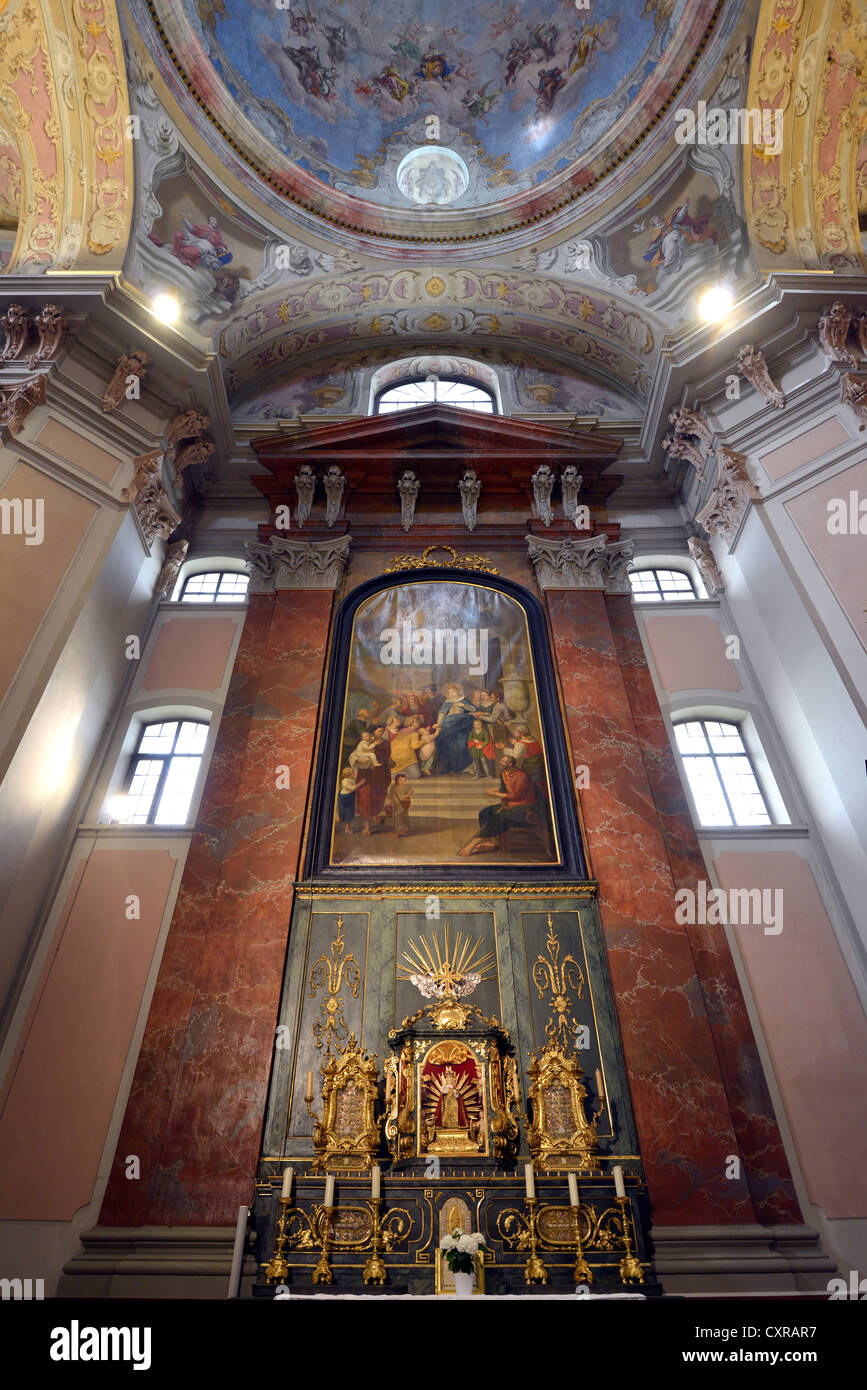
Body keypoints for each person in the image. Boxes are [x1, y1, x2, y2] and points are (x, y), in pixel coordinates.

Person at [458, 755, 539, 856]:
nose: (501, 763)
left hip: (524, 807)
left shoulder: (521, 776)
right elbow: (504, 790)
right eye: (501, 760)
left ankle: (473, 844)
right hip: (508, 804)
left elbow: (516, 795)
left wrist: (495, 794)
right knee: (485, 813)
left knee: (498, 817)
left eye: (504, 761)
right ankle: (488, 842)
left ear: (511, 764)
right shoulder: (504, 773)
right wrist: (495, 791)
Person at [433, 684, 477, 774]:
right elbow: (442, 713)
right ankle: (448, 766)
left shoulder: (464, 700)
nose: (452, 694)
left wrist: (463, 705)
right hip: (447, 723)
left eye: (453, 692)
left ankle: (461, 767)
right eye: (450, 693)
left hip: (461, 724)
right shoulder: (447, 702)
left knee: (460, 744)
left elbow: (474, 709)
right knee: (444, 742)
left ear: (458, 691)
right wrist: (439, 723)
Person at [337, 766, 358, 831]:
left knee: (350, 813)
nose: (354, 772)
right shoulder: (345, 781)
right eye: (352, 771)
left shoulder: (353, 779)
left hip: (350, 797)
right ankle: (339, 818)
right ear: (349, 774)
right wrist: (360, 784)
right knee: (342, 811)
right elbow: (353, 788)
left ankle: (347, 828)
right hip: (344, 797)